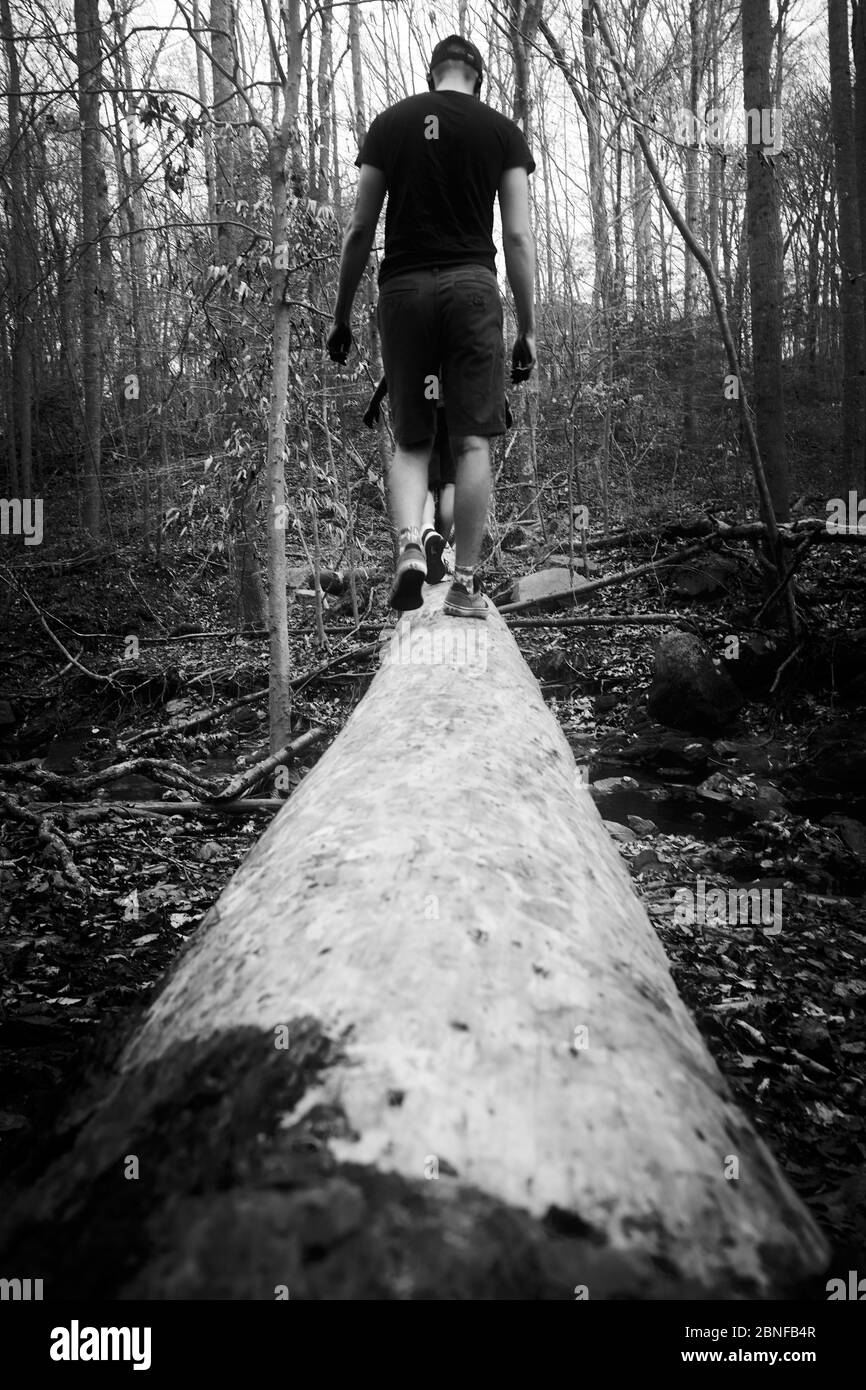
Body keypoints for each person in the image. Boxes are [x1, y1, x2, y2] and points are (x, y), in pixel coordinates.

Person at [327, 33, 537, 618]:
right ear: (478, 78)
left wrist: (342, 316)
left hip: (404, 291)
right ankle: (466, 585)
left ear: (431, 75)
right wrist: (528, 328)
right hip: (472, 288)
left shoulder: (390, 124)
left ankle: (409, 552)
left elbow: (359, 232)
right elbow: (518, 237)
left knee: (412, 439)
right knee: (470, 440)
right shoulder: (501, 131)